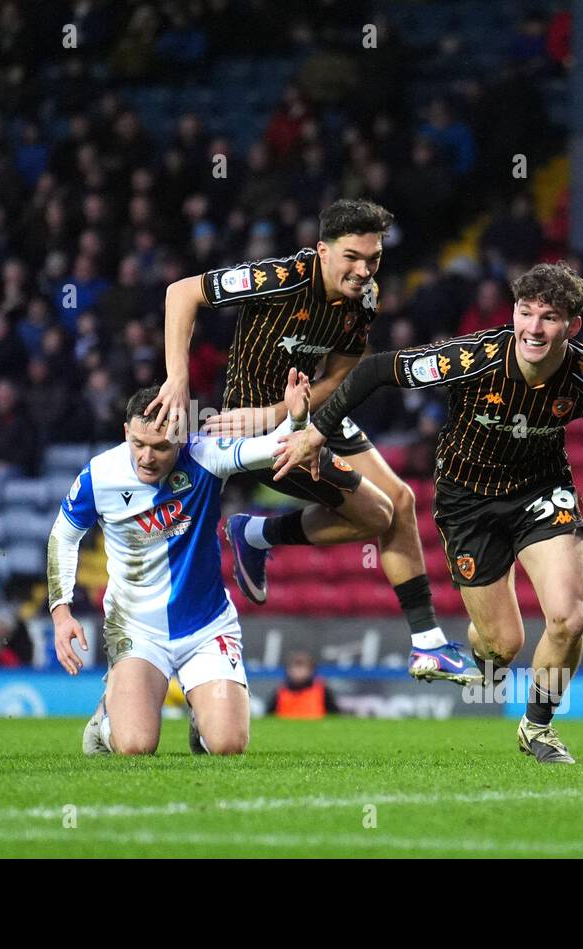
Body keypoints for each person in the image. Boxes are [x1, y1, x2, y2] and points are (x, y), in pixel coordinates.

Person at [274, 261, 583, 764]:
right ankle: (479, 652)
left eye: (550, 317)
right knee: (503, 647)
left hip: (542, 494)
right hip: (467, 502)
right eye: (526, 312)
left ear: (572, 326)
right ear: (513, 313)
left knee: (568, 618)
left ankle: (538, 729)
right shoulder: (473, 358)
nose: (534, 328)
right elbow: (373, 370)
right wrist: (316, 433)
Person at [148, 198, 480, 686]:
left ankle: (428, 645)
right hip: (255, 434)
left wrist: (288, 409)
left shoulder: (364, 299)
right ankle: (255, 535)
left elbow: (344, 374)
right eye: (352, 257)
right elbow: (181, 293)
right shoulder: (278, 279)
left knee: (404, 499)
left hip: (310, 415)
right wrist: (178, 378)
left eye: (374, 259)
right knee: (378, 514)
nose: (364, 270)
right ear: (322, 250)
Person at [49, 369, 312, 757]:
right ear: (126, 432)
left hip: (205, 627)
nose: (147, 457)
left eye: (161, 447)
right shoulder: (100, 476)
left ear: (182, 437)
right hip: (137, 629)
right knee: (136, 746)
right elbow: (63, 536)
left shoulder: (205, 454)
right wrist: (61, 613)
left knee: (227, 745)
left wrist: (296, 417)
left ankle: (202, 719)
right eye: (138, 443)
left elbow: (273, 447)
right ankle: (106, 720)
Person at [272, 651, 340, 719]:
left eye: (302, 668)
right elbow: (269, 715)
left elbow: (334, 714)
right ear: (289, 671)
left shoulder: (321, 690)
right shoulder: (280, 691)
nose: (299, 672)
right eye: (295, 668)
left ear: (310, 670)